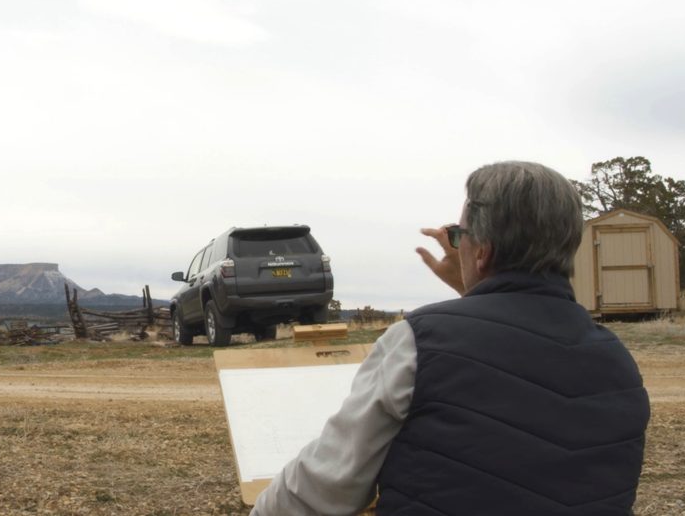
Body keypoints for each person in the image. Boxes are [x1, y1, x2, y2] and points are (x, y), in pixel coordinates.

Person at [252, 161, 651, 515]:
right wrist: (474, 294)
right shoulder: (617, 359)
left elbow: (327, 489)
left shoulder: (419, 341)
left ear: (482, 251)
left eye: (460, 234)